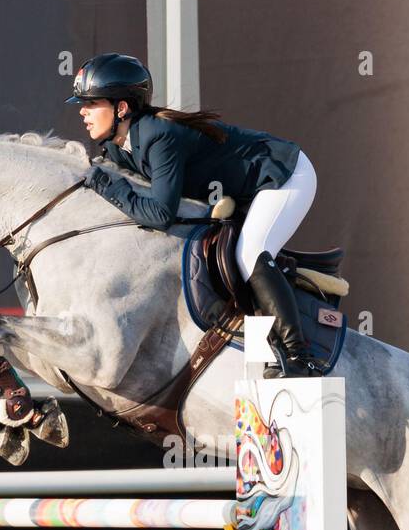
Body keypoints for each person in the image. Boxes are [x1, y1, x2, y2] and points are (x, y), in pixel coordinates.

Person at [69, 53, 327, 378]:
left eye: (91, 103)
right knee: (233, 261)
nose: (82, 111)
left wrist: (109, 187)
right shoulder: (119, 146)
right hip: (246, 190)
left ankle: (299, 358)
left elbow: (161, 214)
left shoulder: (159, 136)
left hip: (284, 175)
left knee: (250, 254)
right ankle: (264, 357)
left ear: (121, 108)